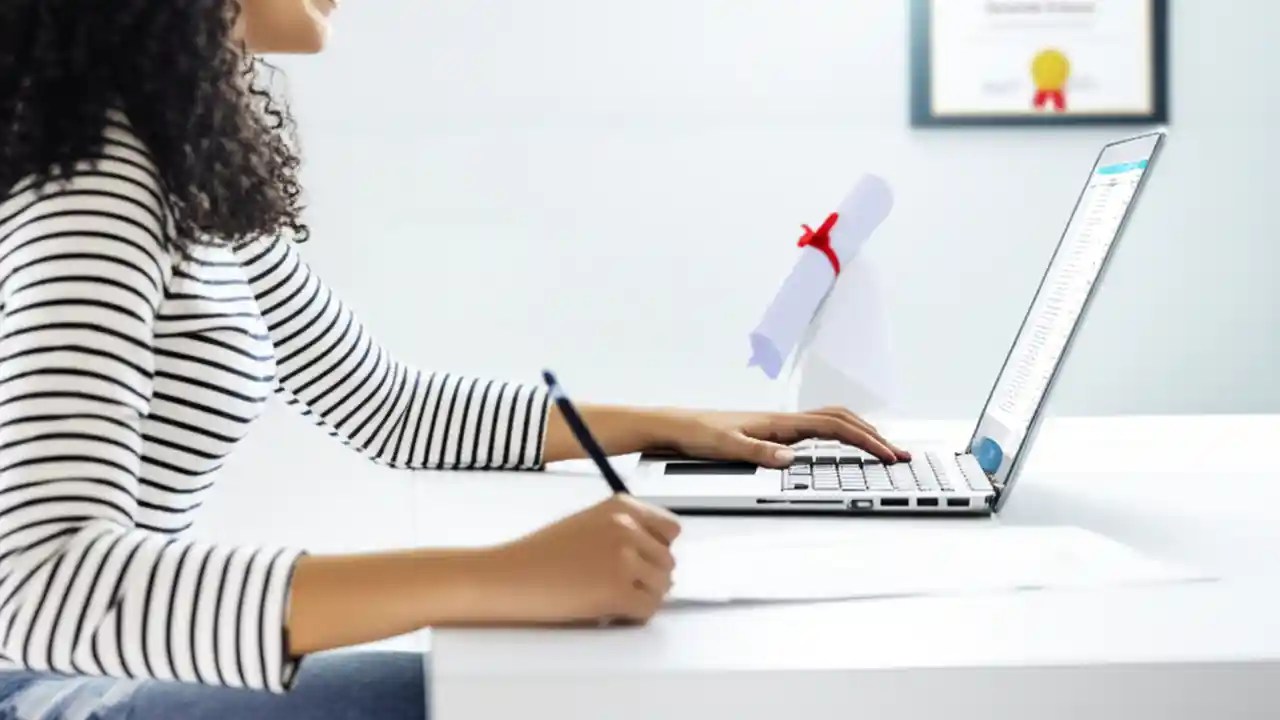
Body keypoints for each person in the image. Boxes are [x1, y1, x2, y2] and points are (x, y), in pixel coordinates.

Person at [0, 1, 908, 717]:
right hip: (49, 693)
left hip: (88, 676)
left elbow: (388, 405)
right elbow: (42, 586)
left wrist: (676, 424)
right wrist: (501, 577)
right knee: (532, 702)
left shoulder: (172, 162)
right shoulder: (97, 182)